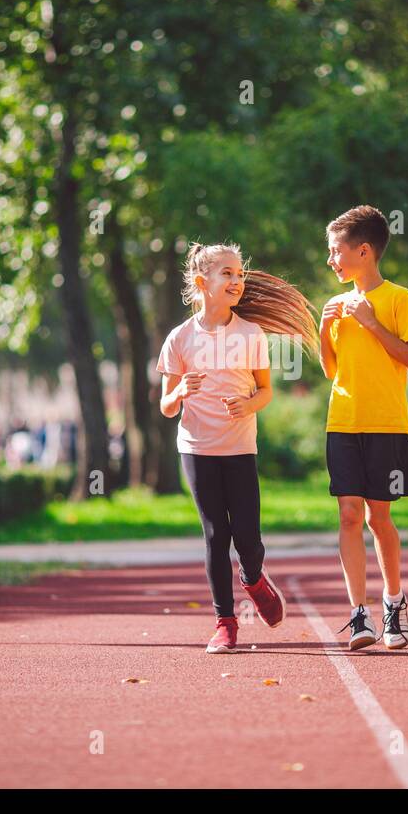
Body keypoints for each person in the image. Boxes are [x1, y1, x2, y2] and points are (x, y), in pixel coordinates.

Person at [157, 241, 319, 653]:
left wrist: (248, 404)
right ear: (201, 282)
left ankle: (253, 579)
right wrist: (179, 390)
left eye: (239, 274)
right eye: (226, 274)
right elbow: (165, 406)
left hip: (240, 447)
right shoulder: (179, 338)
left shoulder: (250, 334)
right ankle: (225, 623)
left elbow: (266, 392)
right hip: (197, 448)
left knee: (247, 536)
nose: (236, 281)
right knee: (216, 535)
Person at [321, 205, 408, 651]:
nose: (330, 261)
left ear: (364, 251)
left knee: (378, 517)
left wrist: (371, 322)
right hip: (342, 422)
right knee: (348, 513)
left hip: (386, 424)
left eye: (335, 252)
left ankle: (393, 602)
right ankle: (358, 614)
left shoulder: (399, 298)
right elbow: (332, 370)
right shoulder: (334, 303)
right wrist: (324, 334)